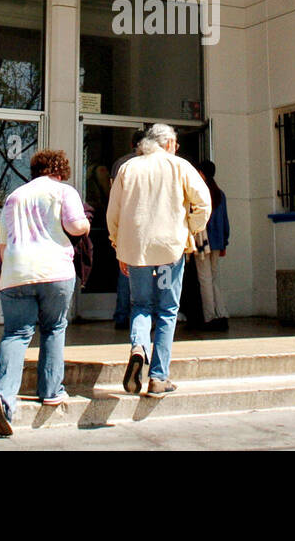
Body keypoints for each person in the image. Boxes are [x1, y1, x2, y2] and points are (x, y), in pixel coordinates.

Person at [0, 149, 90, 437]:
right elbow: (76, 225)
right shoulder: (64, 191)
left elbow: (3, 245)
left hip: (16, 272)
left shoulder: (14, 197)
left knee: (16, 334)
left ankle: (4, 396)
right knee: (54, 328)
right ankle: (52, 391)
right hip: (54, 270)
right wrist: (86, 225)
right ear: (60, 169)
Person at [106, 123, 211, 398]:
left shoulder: (128, 168)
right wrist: (191, 228)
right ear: (167, 143)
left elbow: (113, 211)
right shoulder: (180, 167)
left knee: (140, 305)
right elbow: (203, 203)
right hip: (169, 252)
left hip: (137, 250)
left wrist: (118, 244)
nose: (177, 147)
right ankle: (158, 377)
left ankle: (139, 346)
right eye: (175, 142)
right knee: (166, 310)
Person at [108, 129, 146, 329]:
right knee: (149, 271)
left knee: (125, 270)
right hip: (145, 224)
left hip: (124, 223)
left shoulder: (120, 164)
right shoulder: (149, 165)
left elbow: (113, 195)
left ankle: (122, 316)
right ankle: (143, 315)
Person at [195, 160, 230, 331]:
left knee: (205, 280)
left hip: (203, 242)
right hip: (218, 242)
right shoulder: (220, 194)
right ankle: (221, 313)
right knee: (213, 279)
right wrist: (225, 242)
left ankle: (209, 316)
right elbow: (225, 221)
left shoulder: (200, 193)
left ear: (201, 173)